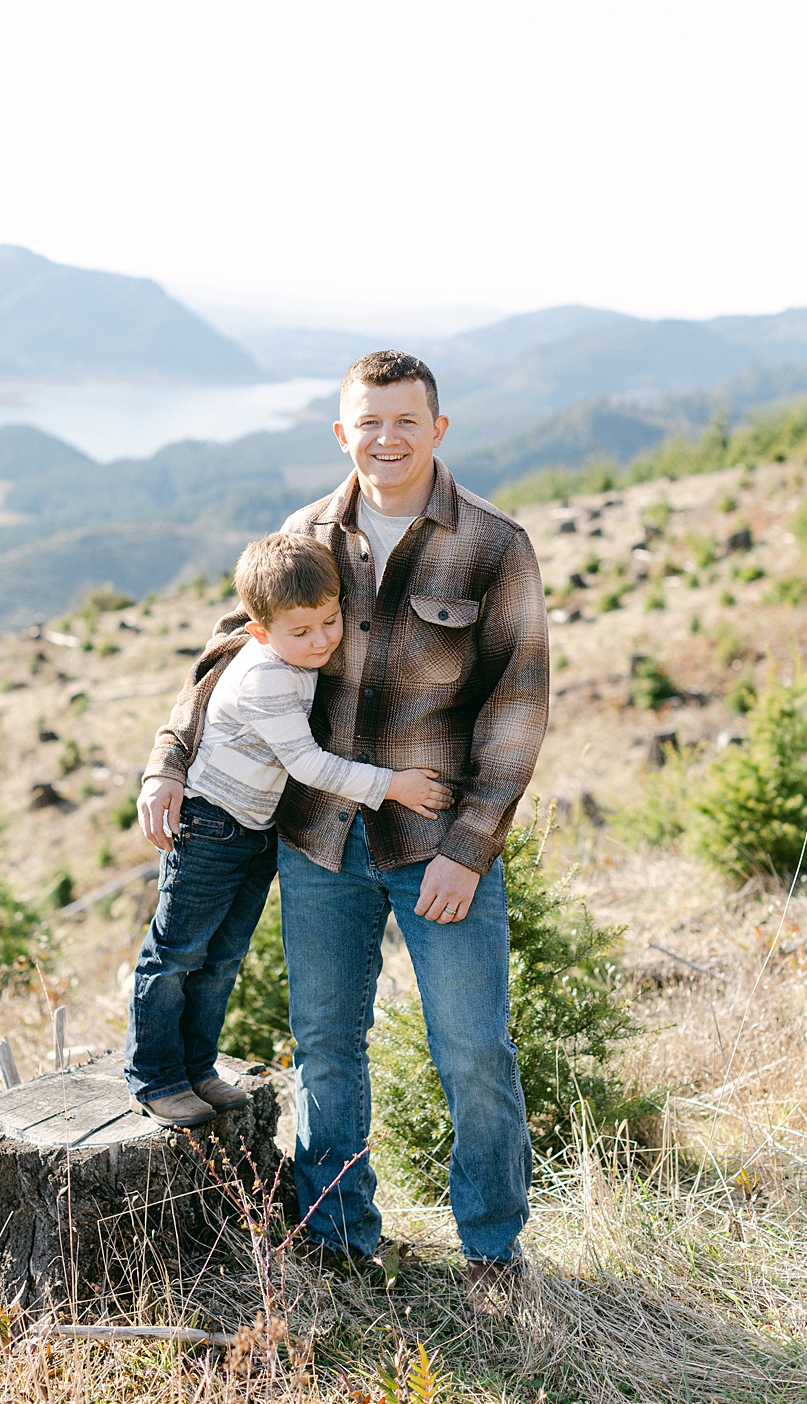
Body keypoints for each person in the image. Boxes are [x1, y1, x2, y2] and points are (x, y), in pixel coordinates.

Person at [137, 351, 549, 1294]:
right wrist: (167, 760)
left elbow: (519, 706)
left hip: (434, 844)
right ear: (342, 432)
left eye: (407, 420)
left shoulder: (493, 546)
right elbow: (222, 659)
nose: (387, 439)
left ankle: (492, 1250)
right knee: (327, 1045)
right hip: (318, 839)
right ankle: (338, 1240)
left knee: (474, 1049)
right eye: (369, 421)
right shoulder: (304, 535)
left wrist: (472, 849)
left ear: (438, 429)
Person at [125, 531, 452, 1128]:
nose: (323, 640)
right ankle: (154, 1077)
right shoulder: (267, 676)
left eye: (331, 622)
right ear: (259, 632)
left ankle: (197, 1069)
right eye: (301, 632)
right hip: (211, 823)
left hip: (253, 829)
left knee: (223, 956)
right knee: (177, 952)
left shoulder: (297, 654)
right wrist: (393, 785)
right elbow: (307, 764)